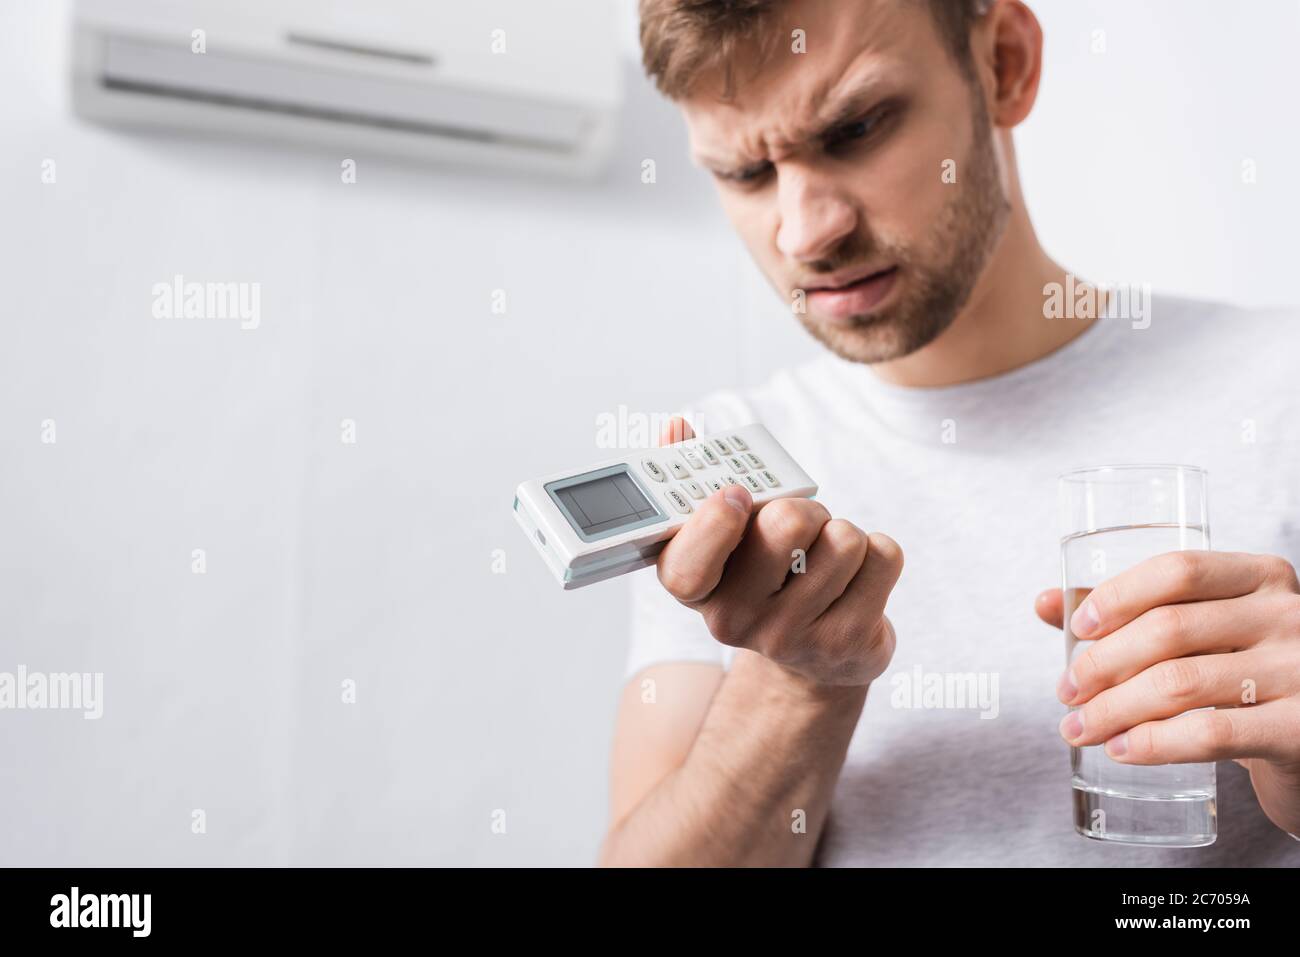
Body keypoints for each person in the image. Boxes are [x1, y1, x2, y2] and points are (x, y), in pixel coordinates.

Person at [598, 0, 1300, 866]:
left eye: (855, 127)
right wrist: (800, 677)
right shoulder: (721, 478)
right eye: (745, 173)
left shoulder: (1281, 393)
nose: (806, 231)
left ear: (1004, 62)